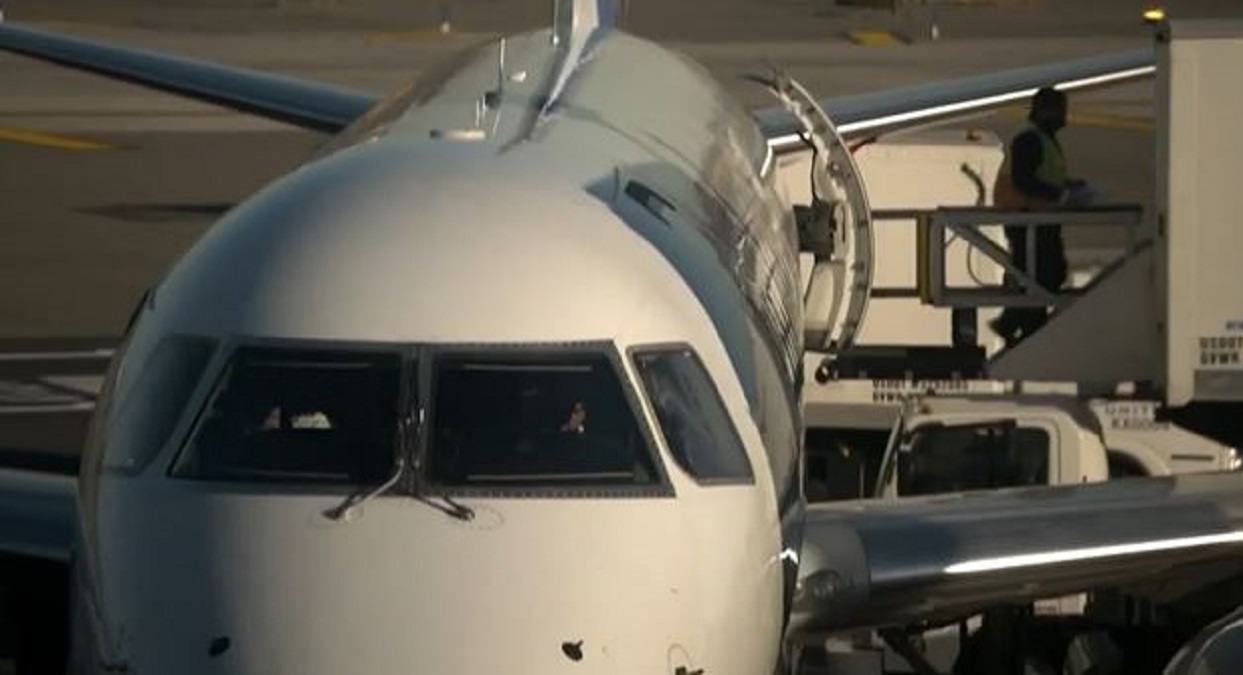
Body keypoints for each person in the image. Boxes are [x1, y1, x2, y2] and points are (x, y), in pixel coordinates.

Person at [989, 87, 1090, 348]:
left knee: (1044, 274)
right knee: (1041, 274)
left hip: (1038, 216)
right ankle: (1020, 325)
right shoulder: (1030, 139)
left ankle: (1015, 323)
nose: (1064, 118)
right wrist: (1060, 194)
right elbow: (1024, 180)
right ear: (1047, 111)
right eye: (1061, 111)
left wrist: (1069, 186)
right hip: (1027, 217)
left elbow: (1043, 174)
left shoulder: (1041, 138)